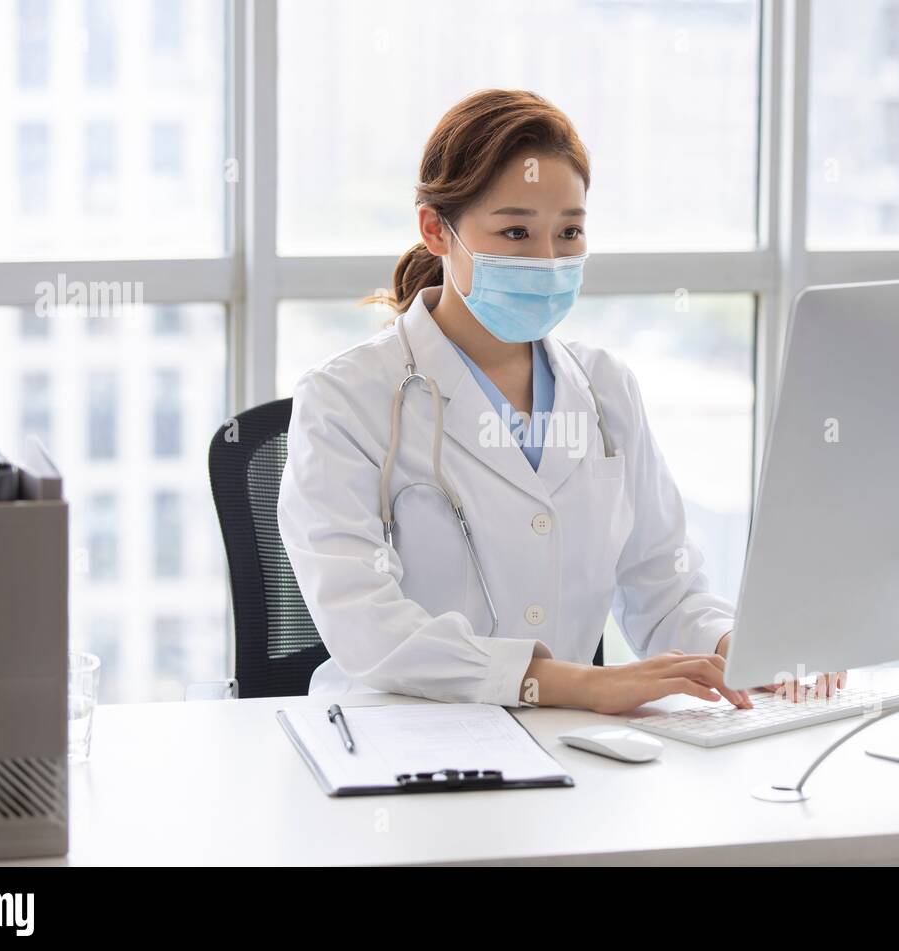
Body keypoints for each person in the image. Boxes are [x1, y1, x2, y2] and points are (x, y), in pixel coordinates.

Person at [278, 89, 844, 712]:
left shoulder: (606, 389)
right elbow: (364, 624)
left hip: (565, 745)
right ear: (436, 230)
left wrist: (745, 648)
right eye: (515, 231)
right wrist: (580, 684)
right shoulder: (345, 399)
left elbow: (665, 586)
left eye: (569, 231)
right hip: (400, 743)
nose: (547, 260)